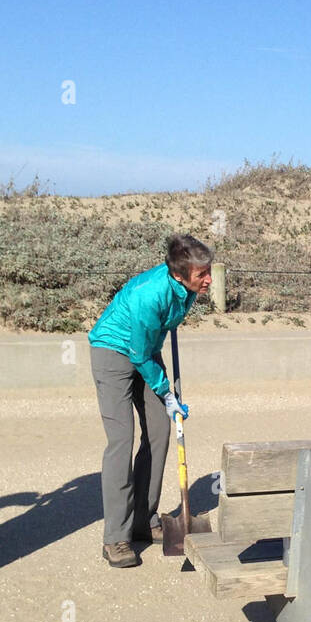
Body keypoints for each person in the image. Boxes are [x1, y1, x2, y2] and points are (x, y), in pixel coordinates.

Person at [89, 234, 213, 567]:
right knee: (121, 439)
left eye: (208, 271)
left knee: (160, 430)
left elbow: (152, 340)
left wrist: (165, 397)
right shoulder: (149, 294)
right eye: (202, 274)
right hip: (113, 352)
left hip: (145, 351)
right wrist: (166, 392)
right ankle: (116, 537)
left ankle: (143, 519)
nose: (209, 279)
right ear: (179, 275)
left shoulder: (187, 288)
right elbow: (139, 352)